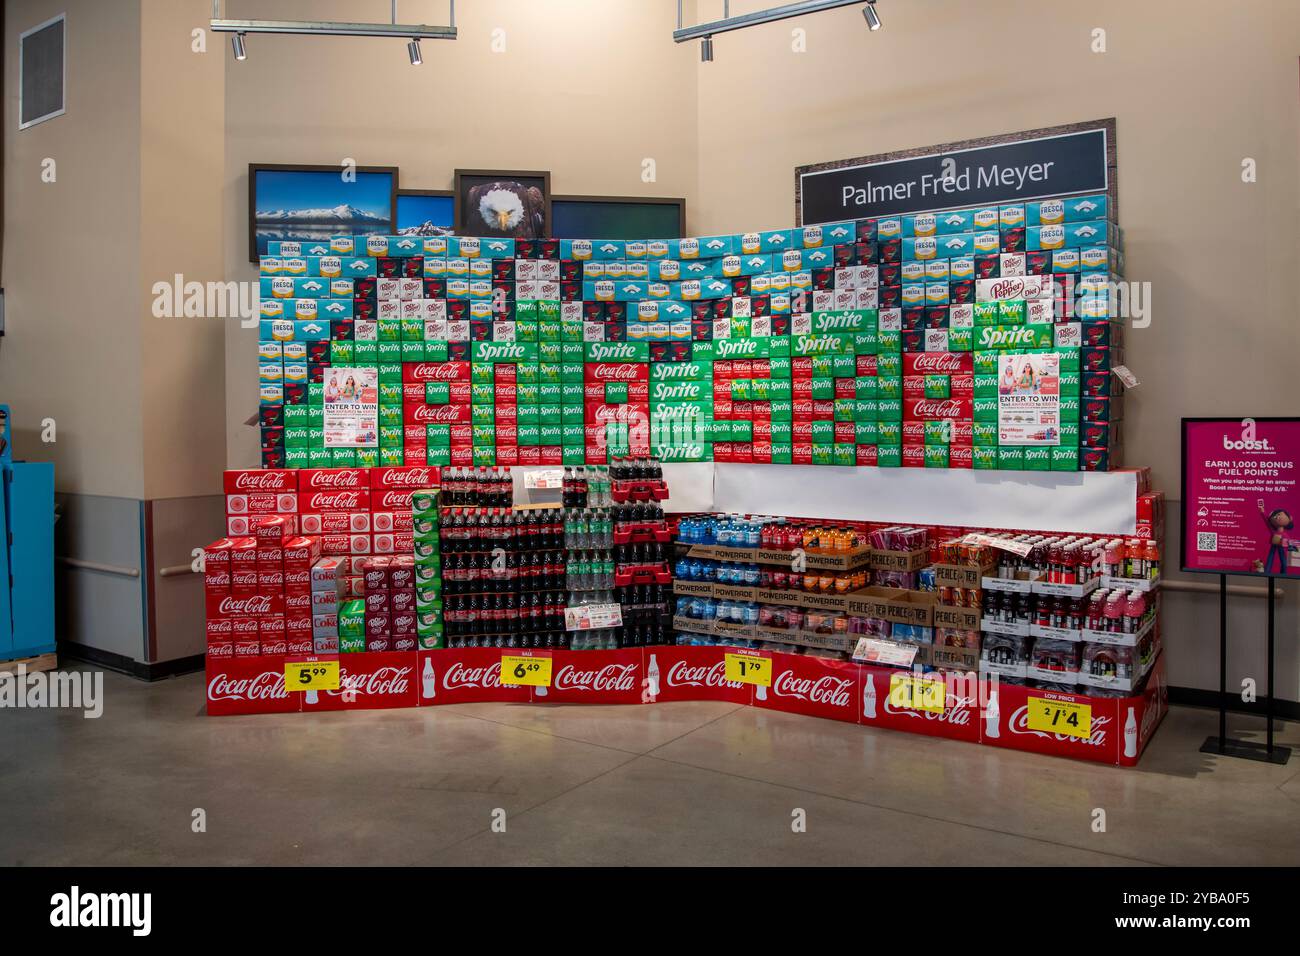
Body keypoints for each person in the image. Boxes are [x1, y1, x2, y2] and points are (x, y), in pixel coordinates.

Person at [1258, 503, 1294, 574]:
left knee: (1283, 558)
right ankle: (1267, 571)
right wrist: (1263, 512)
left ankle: (1283, 573)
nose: (1277, 517)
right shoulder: (1273, 531)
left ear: (1289, 518)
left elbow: (1289, 542)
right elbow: (1266, 521)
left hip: (1281, 544)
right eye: (1275, 516)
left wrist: (1287, 543)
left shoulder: (1284, 534)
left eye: (1279, 515)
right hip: (1274, 542)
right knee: (1271, 557)